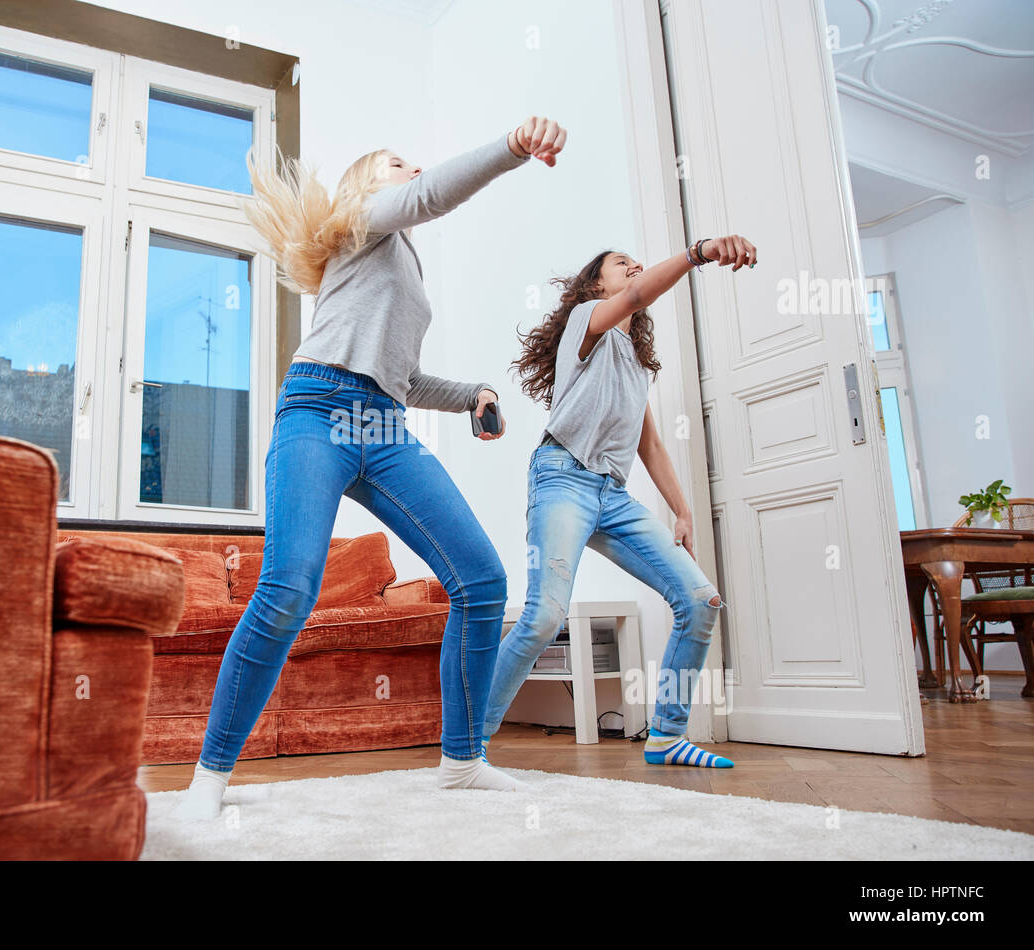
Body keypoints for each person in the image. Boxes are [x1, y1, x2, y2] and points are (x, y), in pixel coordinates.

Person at [174, 117, 569, 820]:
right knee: (289, 590)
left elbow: (404, 378)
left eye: (413, 161)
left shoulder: (401, 266)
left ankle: (462, 762)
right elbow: (429, 199)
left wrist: (472, 393)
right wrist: (510, 148)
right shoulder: (362, 220)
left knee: (480, 582)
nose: (412, 169)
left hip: (383, 425)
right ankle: (208, 779)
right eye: (398, 162)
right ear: (366, 183)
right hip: (317, 411)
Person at [482, 237, 757, 770]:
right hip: (561, 477)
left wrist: (681, 511)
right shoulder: (587, 321)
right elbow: (631, 300)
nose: (633, 266)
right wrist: (697, 253)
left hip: (612, 495)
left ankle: (667, 736)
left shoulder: (633, 363)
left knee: (700, 601)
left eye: (636, 262)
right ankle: (470, 740)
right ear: (594, 285)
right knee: (544, 617)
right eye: (620, 264)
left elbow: (648, 443)